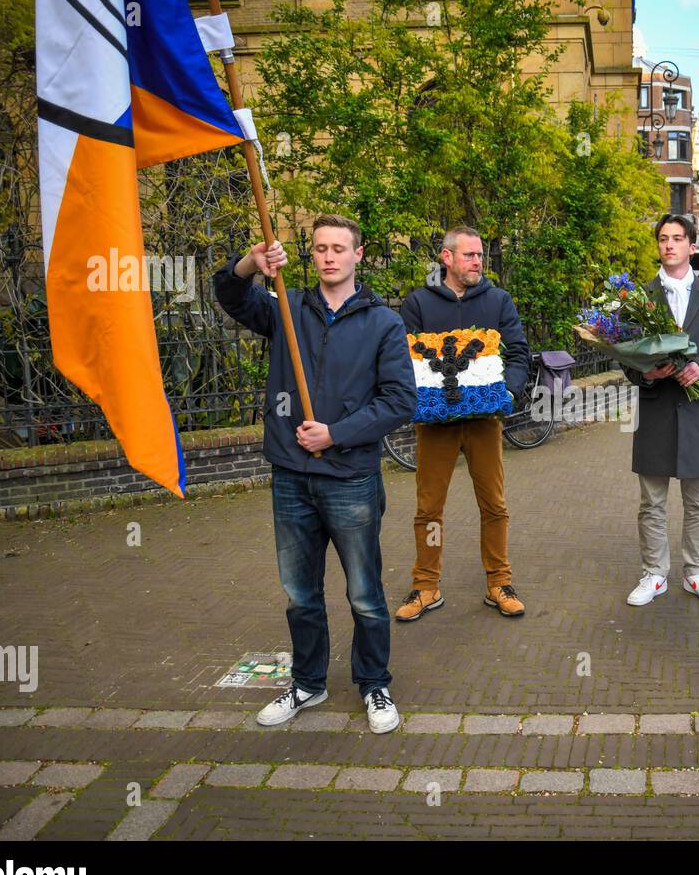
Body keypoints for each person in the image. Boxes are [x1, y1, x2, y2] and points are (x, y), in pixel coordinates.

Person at [213, 214, 416, 732]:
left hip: (351, 479)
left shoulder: (384, 323)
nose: (328, 256)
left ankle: (375, 685)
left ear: (358, 255)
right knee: (301, 594)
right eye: (320, 248)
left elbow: (399, 402)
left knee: (365, 593)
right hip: (291, 477)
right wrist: (249, 265)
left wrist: (337, 433)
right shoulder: (286, 308)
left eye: (339, 248)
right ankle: (308, 683)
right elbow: (231, 297)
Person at [396, 226, 531, 622]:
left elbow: (519, 352)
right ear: (447, 257)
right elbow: (404, 359)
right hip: (435, 423)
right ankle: (426, 585)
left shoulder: (498, 301)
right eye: (469, 255)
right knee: (429, 507)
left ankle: (498, 583)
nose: (477, 262)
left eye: (480, 256)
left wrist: (509, 393)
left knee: (494, 504)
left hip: (484, 420)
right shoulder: (419, 303)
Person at [621, 213, 699, 608]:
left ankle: (695, 572)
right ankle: (654, 574)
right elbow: (626, 357)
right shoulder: (639, 297)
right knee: (652, 502)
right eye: (663, 238)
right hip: (657, 410)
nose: (669, 245)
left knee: (698, 501)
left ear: (691, 247)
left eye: (677, 238)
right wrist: (648, 372)